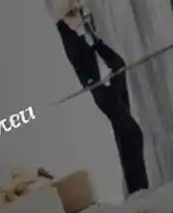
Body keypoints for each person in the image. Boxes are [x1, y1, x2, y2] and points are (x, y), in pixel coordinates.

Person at [46, 0, 149, 194]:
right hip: (102, 91)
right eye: (74, 12)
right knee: (131, 136)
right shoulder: (70, 40)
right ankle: (139, 193)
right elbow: (84, 74)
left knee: (129, 140)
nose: (82, 14)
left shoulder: (87, 36)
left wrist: (92, 38)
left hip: (110, 86)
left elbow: (116, 63)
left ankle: (139, 193)